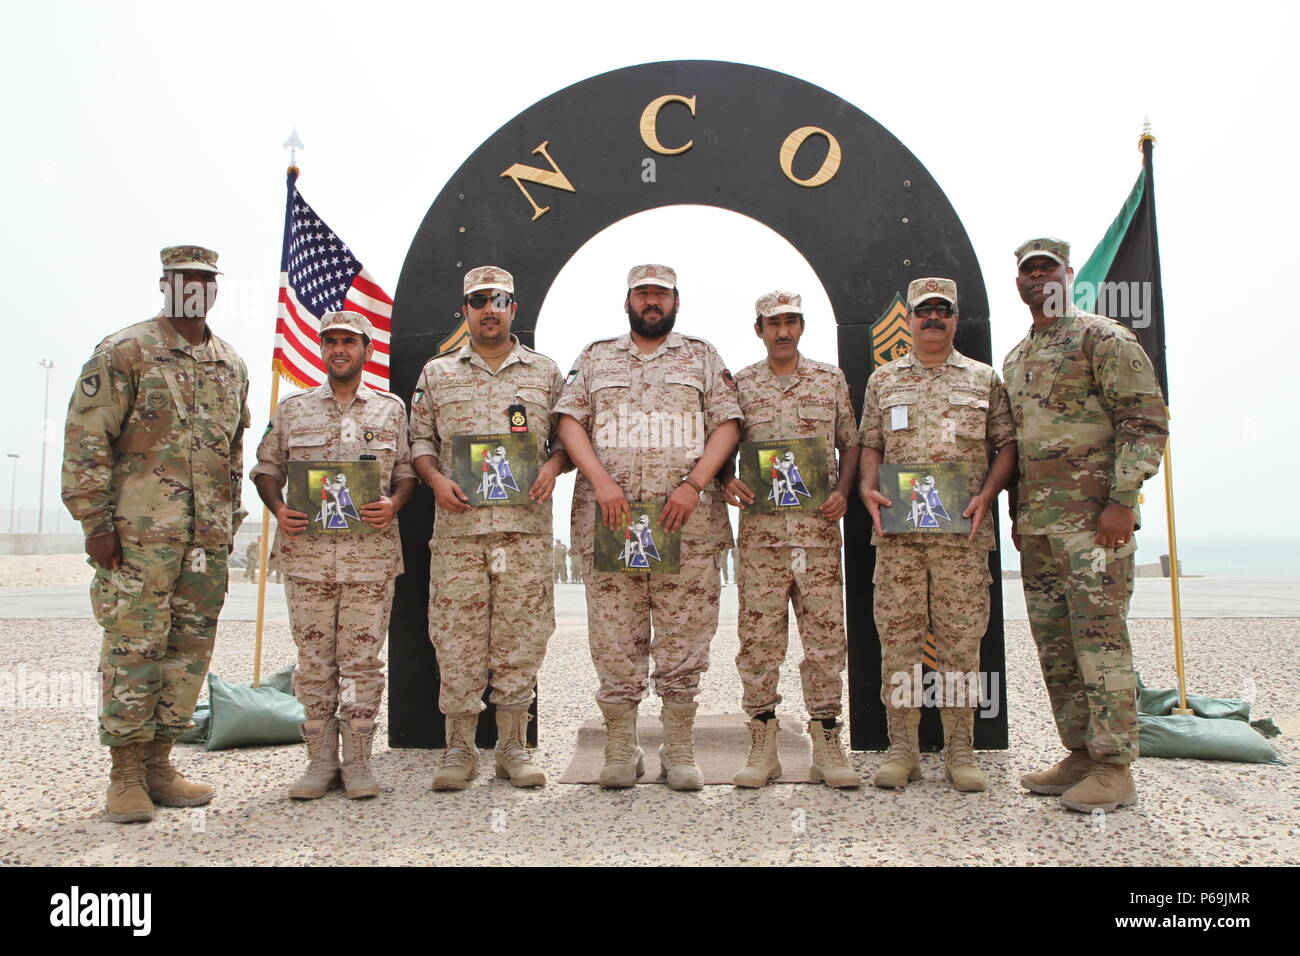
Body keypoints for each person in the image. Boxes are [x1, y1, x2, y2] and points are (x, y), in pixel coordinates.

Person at [62, 244, 250, 823]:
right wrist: (96, 525)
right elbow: (86, 442)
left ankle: (160, 764)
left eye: (204, 279)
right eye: (182, 278)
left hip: (205, 542)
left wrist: (228, 524)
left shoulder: (229, 364)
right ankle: (124, 776)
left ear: (214, 289)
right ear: (165, 284)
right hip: (138, 537)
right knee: (133, 647)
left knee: (188, 652)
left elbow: (233, 452)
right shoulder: (126, 351)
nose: (193, 287)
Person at [556, 264, 742, 790]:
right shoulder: (595, 358)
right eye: (643, 293)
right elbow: (569, 421)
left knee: (685, 636)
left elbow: (727, 423)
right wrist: (602, 481)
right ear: (627, 302)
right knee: (615, 637)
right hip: (610, 519)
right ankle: (621, 746)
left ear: (676, 301)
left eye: (661, 293)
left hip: (687, 523)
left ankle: (678, 748)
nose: (651, 301)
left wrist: (694, 483)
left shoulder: (701, 357)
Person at [1003, 238, 1168, 812]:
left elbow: (1145, 421)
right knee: (1056, 647)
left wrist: (1123, 499)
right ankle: (1079, 753)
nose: (1038, 277)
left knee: (1099, 641)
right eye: (1029, 270)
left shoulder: (1104, 337)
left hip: (1096, 524)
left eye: (1048, 268)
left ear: (1068, 275)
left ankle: (1116, 765)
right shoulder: (1017, 358)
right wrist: (1017, 514)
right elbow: (1020, 446)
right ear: (1018, 282)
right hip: (1041, 529)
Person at [409, 266, 570, 790]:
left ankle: (512, 748)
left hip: (522, 534)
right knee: (456, 641)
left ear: (512, 308)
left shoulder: (546, 373)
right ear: (466, 310)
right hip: (459, 534)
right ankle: (458, 749)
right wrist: (433, 480)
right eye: (478, 301)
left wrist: (552, 466)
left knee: (520, 639)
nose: (488, 309)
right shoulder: (437, 374)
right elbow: (420, 442)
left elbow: (569, 437)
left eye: (498, 300)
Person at [857, 277, 1016, 793]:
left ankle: (960, 751)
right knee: (898, 643)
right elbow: (870, 446)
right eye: (923, 309)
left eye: (942, 310)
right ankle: (902, 750)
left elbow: (1006, 446)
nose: (932, 317)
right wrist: (866, 489)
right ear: (908, 318)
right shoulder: (883, 381)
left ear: (954, 319)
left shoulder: (983, 379)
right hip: (900, 539)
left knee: (961, 645)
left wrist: (988, 493)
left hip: (961, 540)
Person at [251, 310, 416, 800]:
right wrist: (279, 508)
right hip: (308, 560)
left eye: (348, 341)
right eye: (331, 342)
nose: (338, 349)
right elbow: (264, 467)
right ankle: (319, 762)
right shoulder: (293, 409)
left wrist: (395, 503)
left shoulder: (390, 410)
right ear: (322, 350)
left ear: (366, 350)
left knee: (363, 663)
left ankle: (359, 762)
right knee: (314, 664)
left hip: (370, 560)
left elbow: (406, 470)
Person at [723, 290, 861, 788]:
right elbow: (720, 444)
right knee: (759, 643)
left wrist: (844, 491)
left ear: (801, 327)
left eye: (790, 321)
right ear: (757, 330)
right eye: (772, 323)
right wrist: (724, 481)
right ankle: (763, 742)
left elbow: (852, 443)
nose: (782, 331)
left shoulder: (829, 380)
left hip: (818, 536)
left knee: (826, 641)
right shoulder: (739, 385)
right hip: (761, 538)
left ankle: (827, 741)